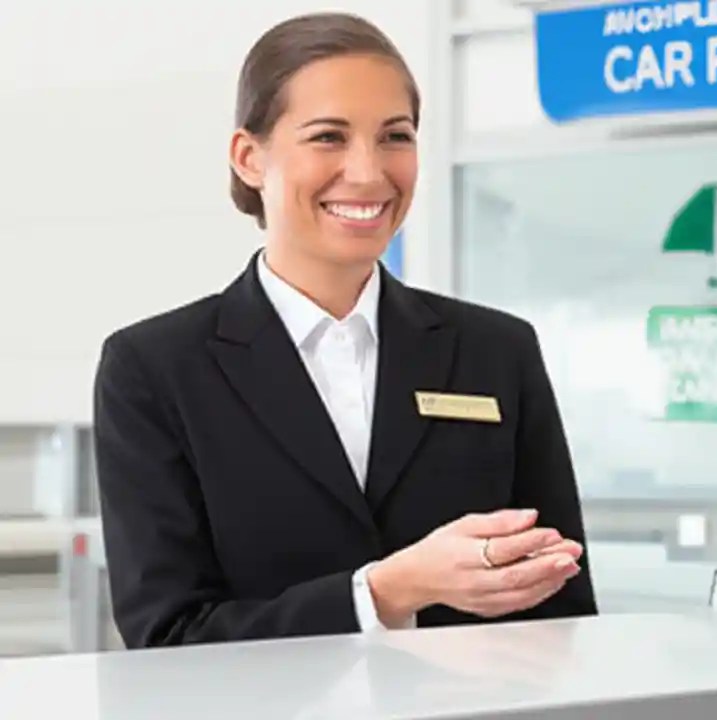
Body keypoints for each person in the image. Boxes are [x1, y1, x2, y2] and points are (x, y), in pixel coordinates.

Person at [92, 12, 596, 649]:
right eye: (329, 137)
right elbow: (168, 635)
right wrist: (386, 592)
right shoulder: (156, 369)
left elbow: (565, 610)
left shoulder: (497, 351)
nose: (368, 172)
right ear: (250, 158)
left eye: (396, 136)